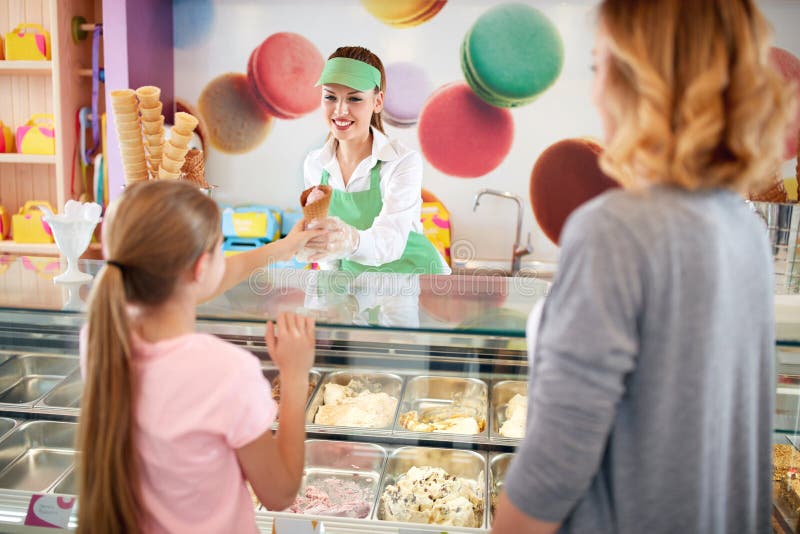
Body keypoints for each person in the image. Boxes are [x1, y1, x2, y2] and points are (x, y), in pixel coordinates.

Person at [492, 1, 794, 533]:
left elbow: (551, 474)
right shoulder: (744, 226)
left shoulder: (615, 230)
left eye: (598, 67)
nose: (593, 90)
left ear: (642, 82)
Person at [76, 180, 316, 533]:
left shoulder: (99, 335)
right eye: (222, 247)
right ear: (201, 268)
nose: (226, 258)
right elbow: (279, 493)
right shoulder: (226, 371)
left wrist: (285, 248)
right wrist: (295, 378)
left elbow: (209, 278)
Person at [299, 46, 450, 275]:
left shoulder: (402, 162)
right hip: (357, 284)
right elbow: (330, 256)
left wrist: (350, 240)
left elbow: (391, 240)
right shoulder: (315, 165)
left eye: (355, 99)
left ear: (377, 102)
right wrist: (326, 297)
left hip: (415, 281)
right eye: (330, 96)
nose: (340, 110)